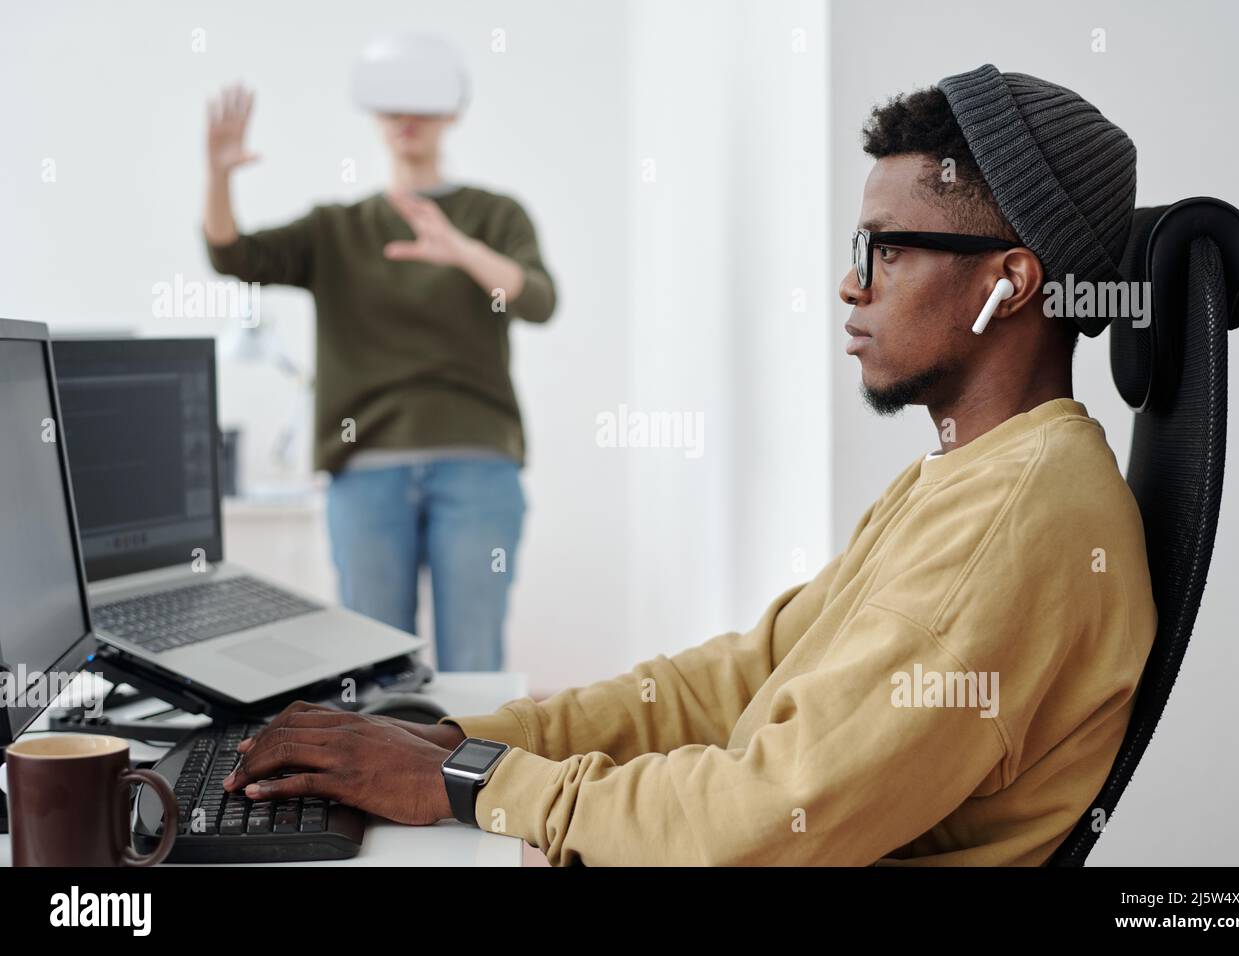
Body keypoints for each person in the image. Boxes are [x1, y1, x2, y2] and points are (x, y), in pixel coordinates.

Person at [225, 64, 1156, 866]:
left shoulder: (1017, 523)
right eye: (857, 247)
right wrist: (464, 738)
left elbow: (759, 826)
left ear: (1011, 282)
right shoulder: (967, 473)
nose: (851, 281)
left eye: (891, 248)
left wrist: (470, 781)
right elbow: (744, 676)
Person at [204, 35, 557, 672]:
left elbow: (536, 298)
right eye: (393, 103)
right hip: (364, 470)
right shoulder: (336, 228)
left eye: (422, 102)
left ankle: (480, 775)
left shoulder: (494, 214)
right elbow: (234, 255)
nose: (407, 117)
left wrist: (461, 249)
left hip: (476, 465)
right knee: (374, 674)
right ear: (375, 114)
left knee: (473, 668)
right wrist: (219, 175)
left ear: (452, 111)